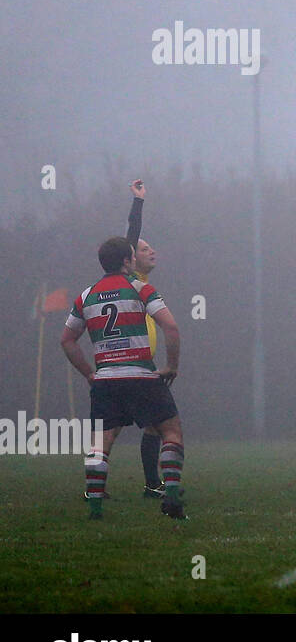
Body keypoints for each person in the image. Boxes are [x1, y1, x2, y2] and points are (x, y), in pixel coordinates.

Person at [60, 237, 186, 520]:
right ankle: (173, 502)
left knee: (100, 444)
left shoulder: (86, 296)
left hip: (106, 380)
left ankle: (94, 510)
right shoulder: (140, 289)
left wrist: (90, 373)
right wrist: (171, 366)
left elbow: (67, 340)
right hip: (141, 374)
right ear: (128, 261)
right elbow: (171, 327)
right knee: (171, 431)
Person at [122, 179, 165, 498]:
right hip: (132, 365)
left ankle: (96, 489)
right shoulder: (128, 278)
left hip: (142, 364)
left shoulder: (145, 281)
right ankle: (153, 485)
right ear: (129, 257)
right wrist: (139, 202)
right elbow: (131, 235)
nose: (151, 252)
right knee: (162, 424)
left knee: (148, 425)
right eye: (144, 249)